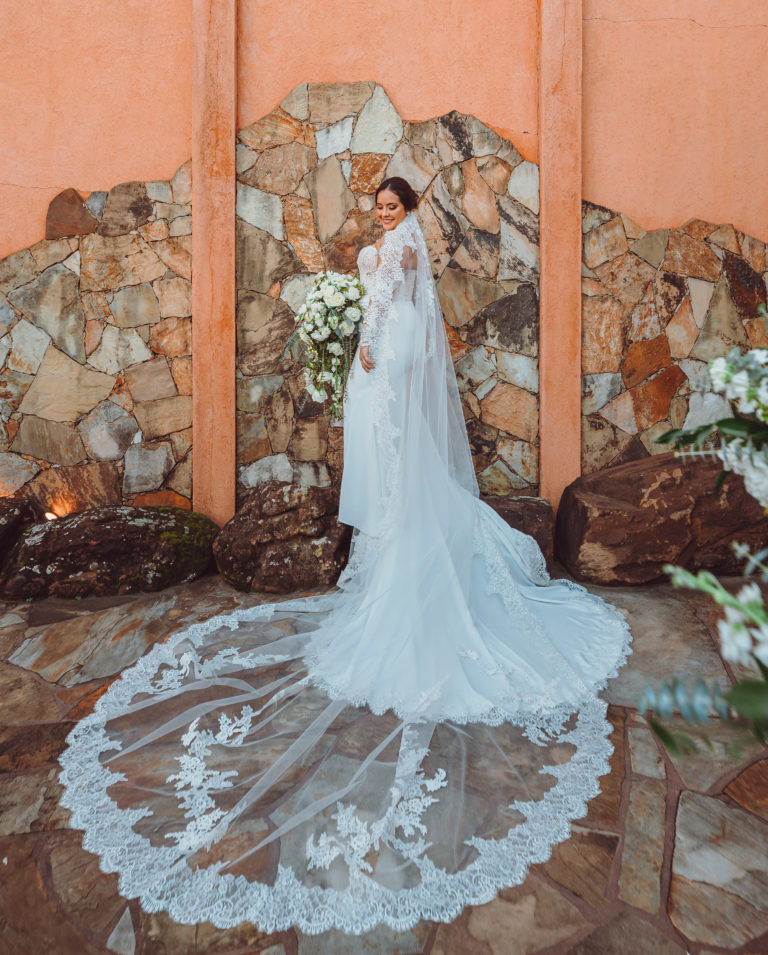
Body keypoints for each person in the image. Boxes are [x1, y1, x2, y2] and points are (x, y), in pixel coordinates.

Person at [59, 176, 631, 935]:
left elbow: (381, 314)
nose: (385, 217)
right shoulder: (406, 248)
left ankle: (400, 574)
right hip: (396, 370)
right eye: (382, 208)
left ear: (408, 213)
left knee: (393, 476)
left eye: (394, 207)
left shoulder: (396, 252)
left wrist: (358, 354)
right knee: (400, 480)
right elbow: (405, 311)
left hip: (383, 370)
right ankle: (402, 558)